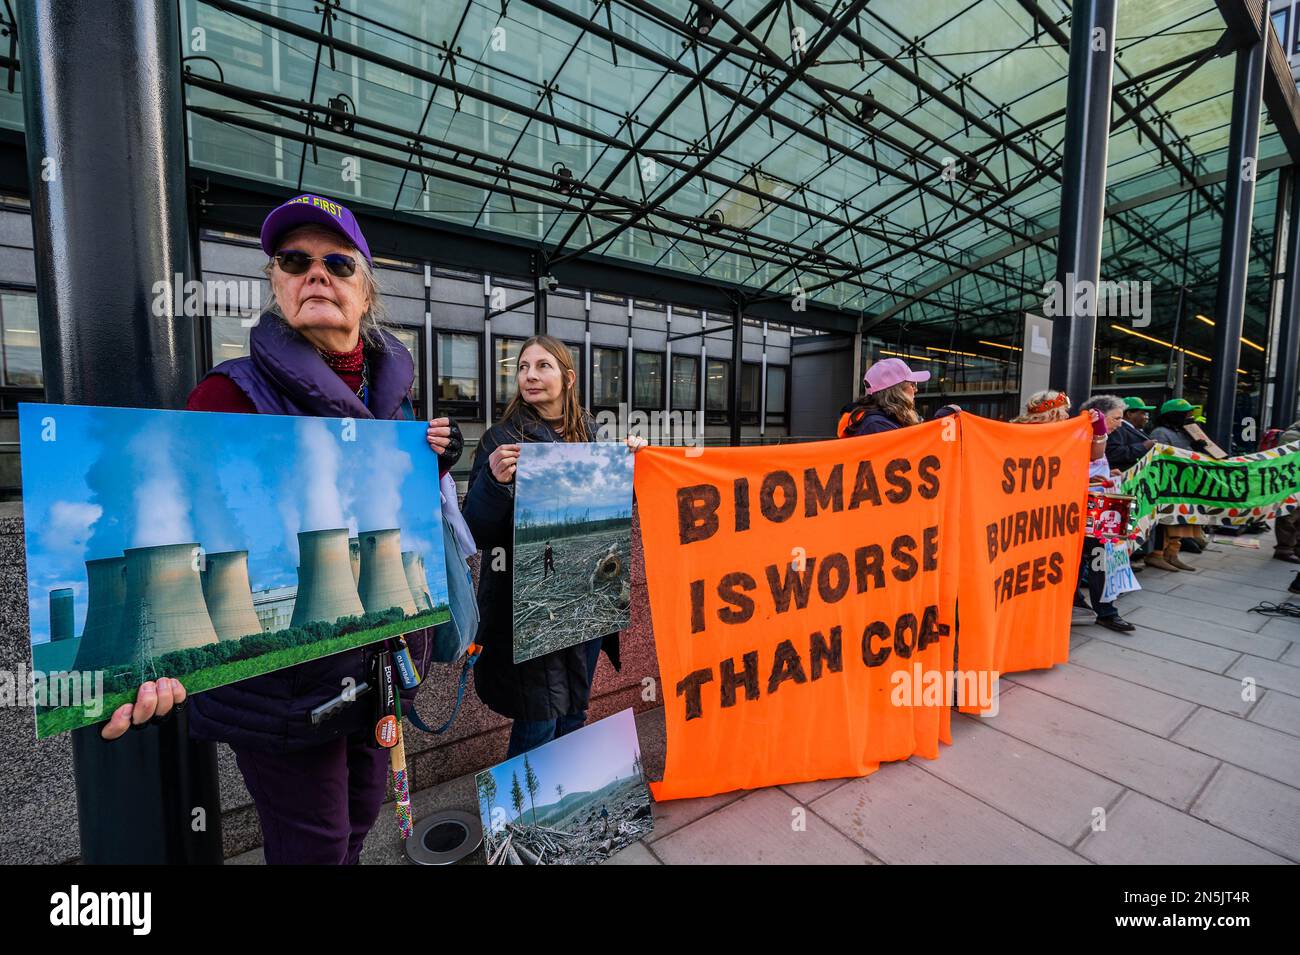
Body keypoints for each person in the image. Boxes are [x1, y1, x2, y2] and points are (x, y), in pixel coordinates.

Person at [100, 194, 464, 865]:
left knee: (356, 826)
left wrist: (441, 455)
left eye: (338, 262)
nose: (316, 273)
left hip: (375, 664)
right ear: (275, 282)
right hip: (282, 693)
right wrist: (148, 652)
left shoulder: (396, 399)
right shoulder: (229, 396)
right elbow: (162, 525)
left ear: (366, 290)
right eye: (295, 261)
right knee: (314, 850)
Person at [461, 334, 644, 758]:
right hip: (529, 608)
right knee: (538, 719)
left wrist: (631, 467)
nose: (530, 375)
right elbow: (477, 532)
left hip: (588, 601)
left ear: (568, 377)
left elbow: (615, 510)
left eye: (542, 366)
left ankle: (568, 813)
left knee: (575, 712)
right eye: (523, 367)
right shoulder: (500, 439)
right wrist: (493, 482)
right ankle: (523, 822)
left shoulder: (593, 434)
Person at [1077, 395, 1136, 633]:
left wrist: (1107, 472)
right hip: (1082, 510)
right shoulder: (1079, 438)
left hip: (1098, 508)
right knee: (1088, 559)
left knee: (1099, 557)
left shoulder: (1096, 438)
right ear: (1099, 415)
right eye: (1116, 418)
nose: (1120, 423)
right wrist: (1087, 480)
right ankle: (1101, 610)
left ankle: (1104, 610)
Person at [1145, 398, 1202, 572]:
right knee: (1166, 520)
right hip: (1167, 484)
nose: (1190, 416)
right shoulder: (1161, 432)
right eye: (1186, 414)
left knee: (1180, 519)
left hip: (1182, 483)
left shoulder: (1183, 432)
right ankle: (1157, 555)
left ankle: (1172, 553)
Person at [838, 357, 959, 437]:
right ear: (896, 391)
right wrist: (939, 421)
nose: (916, 389)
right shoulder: (876, 426)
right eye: (912, 384)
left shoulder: (884, 420)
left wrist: (940, 420)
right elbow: (912, 453)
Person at [1272, 417, 1300, 565]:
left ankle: (1295, 547)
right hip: (1291, 483)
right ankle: (1284, 549)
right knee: (1288, 515)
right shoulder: (1292, 436)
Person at [1106, 396, 1156, 472]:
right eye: (1143, 413)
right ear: (1129, 414)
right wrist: (1143, 446)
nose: (1146, 417)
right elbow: (1113, 454)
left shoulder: (1135, 429)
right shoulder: (1117, 429)